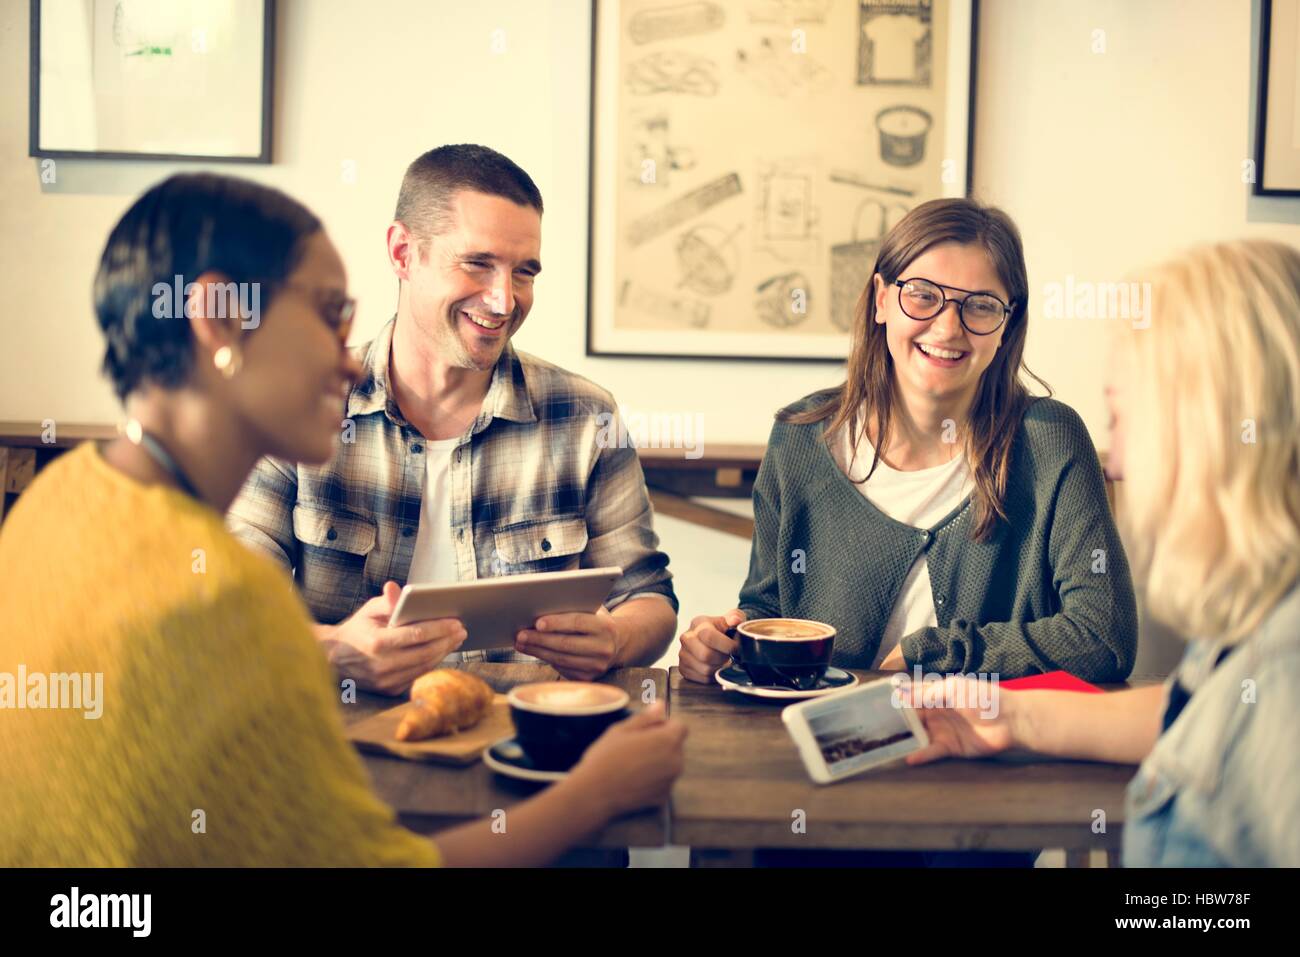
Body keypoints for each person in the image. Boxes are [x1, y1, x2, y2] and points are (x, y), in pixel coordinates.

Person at [0, 173, 685, 867]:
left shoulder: (50, 506)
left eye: (526, 271)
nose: (350, 365)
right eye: (327, 314)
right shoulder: (226, 596)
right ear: (218, 318)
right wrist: (594, 795)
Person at [902, 239, 1300, 867]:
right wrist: (1013, 717)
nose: (1116, 461)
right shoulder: (1258, 627)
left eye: (1122, 417)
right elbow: (1194, 713)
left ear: (1201, 426)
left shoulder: (1284, 674)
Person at [227, 144, 677, 695]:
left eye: (524, 272)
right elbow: (231, 608)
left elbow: (649, 599)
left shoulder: (585, 415)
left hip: (525, 741)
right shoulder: (297, 407)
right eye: (478, 263)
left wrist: (615, 639)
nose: (503, 301)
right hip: (339, 745)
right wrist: (335, 650)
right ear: (402, 253)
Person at [680, 197, 1138, 685]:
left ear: (1007, 323)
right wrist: (724, 643)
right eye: (922, 295)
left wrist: (935, 654)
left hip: (988, 751)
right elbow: (769, 609)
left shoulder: (1050, 442)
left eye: (980, 306)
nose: (947, 328)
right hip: (820, 742)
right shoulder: (800, 437)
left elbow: (1103, 637)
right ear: (881, 299)